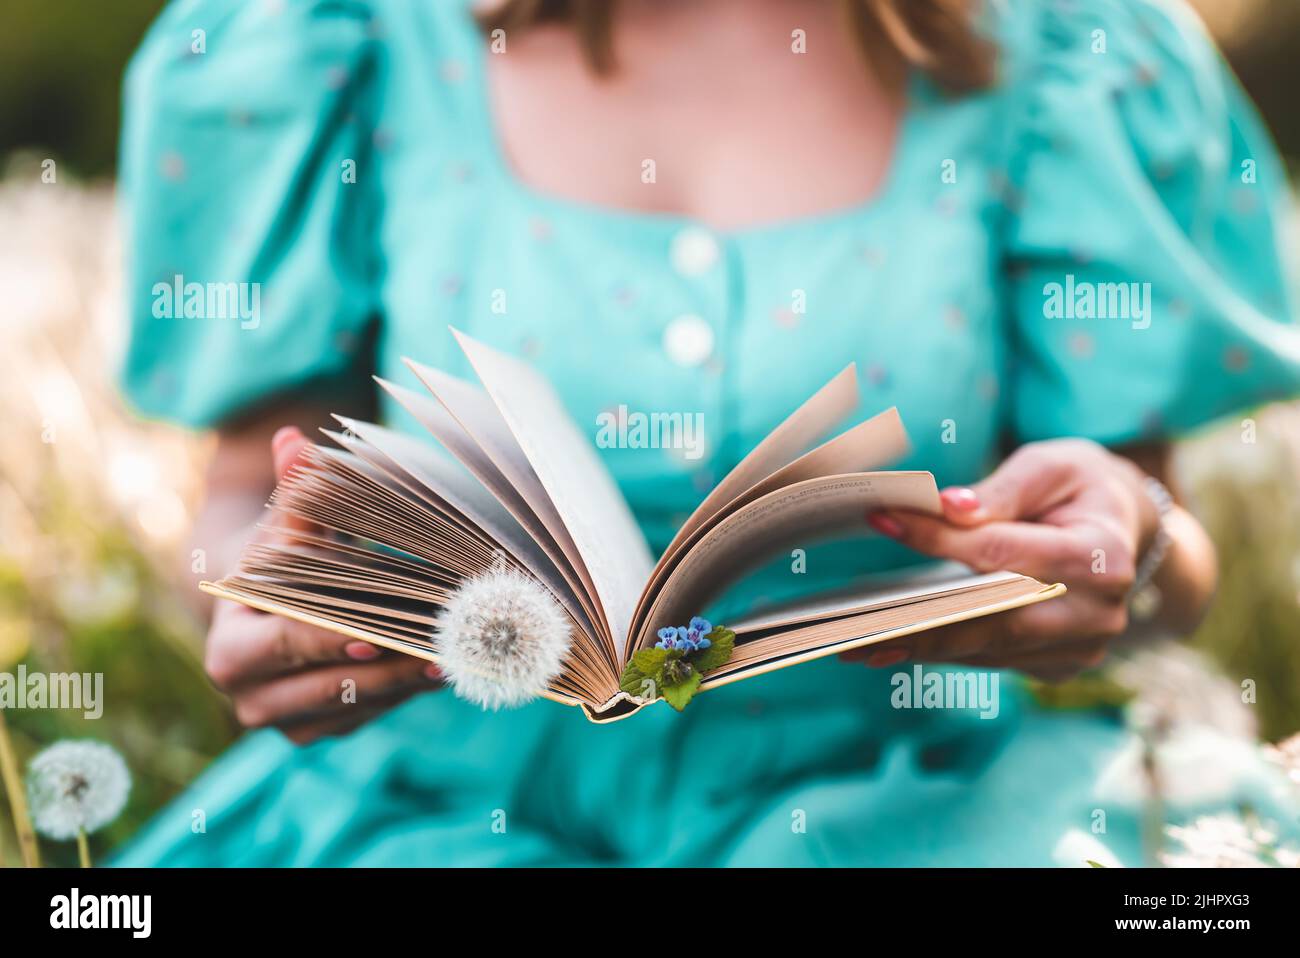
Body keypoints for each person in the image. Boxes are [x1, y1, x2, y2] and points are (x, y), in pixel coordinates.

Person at [115, 0, 1300, 866]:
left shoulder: (1058, 52)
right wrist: (268, 607)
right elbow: (238, 503)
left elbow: (1155, 548)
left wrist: (1127, 555)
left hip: (919, 814)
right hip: (427, 813)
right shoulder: (335, 41)